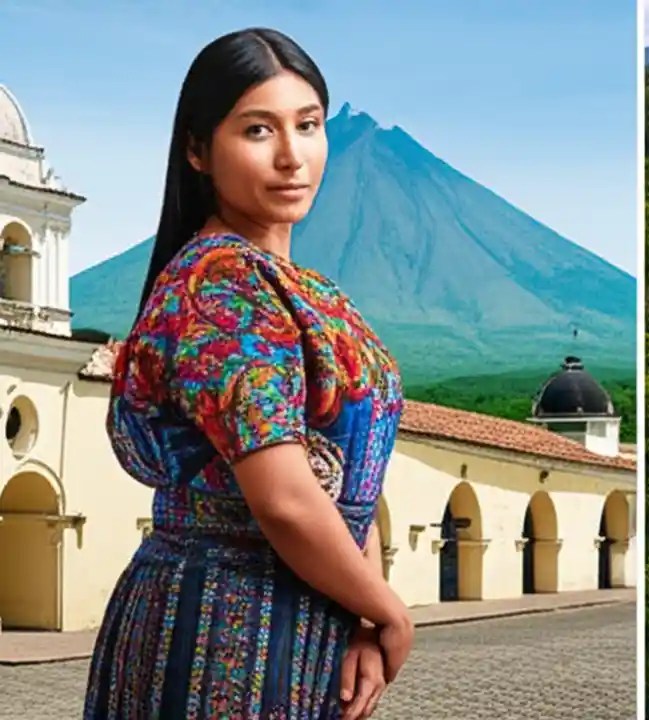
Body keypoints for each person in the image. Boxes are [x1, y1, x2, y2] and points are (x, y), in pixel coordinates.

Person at [82, 27, 414, 720]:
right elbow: (286, 498)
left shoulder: (304, 288)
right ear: (198, 149)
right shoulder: (221, 289)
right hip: (221, 627)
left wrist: (360, 607)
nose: (293, 156)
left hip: (314, 617)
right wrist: (388, 612)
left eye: (310, 125)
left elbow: (354, 473)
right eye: (258, 130)